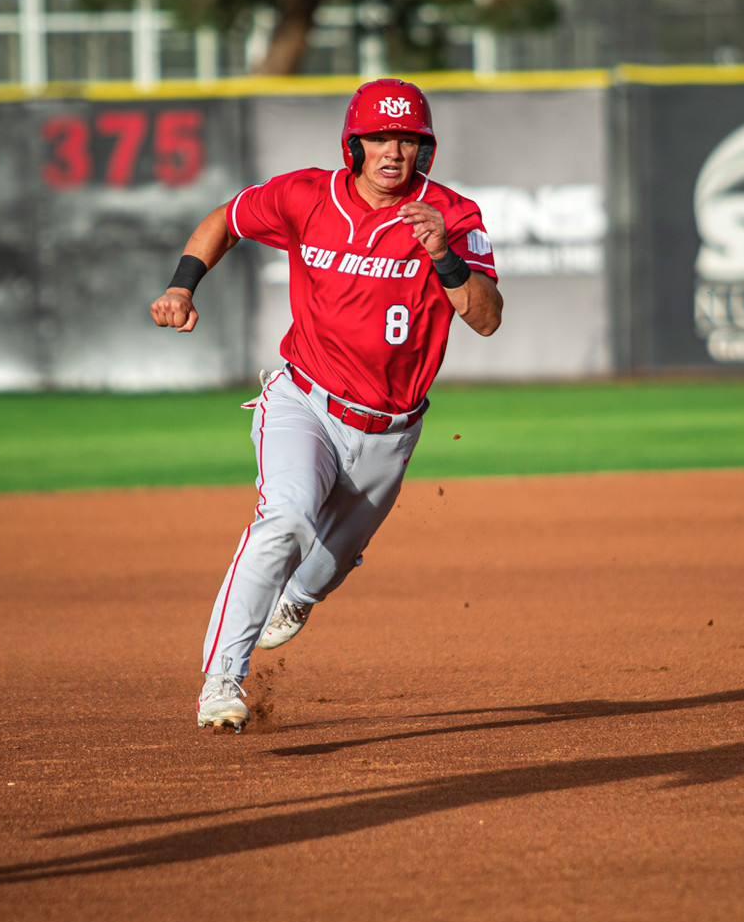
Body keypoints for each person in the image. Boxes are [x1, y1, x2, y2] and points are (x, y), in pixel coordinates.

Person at [150, 78, 502, 731]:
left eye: (407, 139)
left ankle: (304, 589)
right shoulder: (306, 195)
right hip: (304, 400)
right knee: (282, 518)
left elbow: (486, 319)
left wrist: (444, 258)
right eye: (379, 137)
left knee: (320, 569)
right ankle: (222, 681)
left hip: (390, 433)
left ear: (424, 148)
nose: (393, 151)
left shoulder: (452, 214)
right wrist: (181, 285)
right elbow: (225, 221)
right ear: (354, 142)